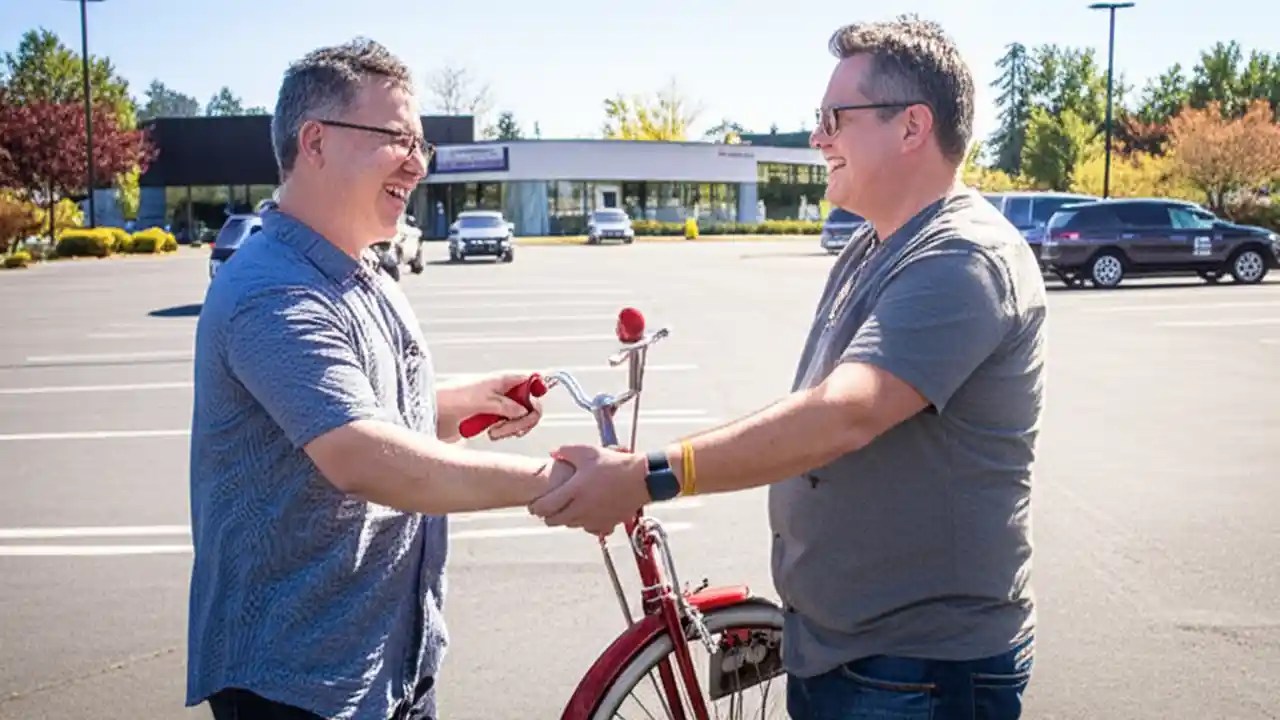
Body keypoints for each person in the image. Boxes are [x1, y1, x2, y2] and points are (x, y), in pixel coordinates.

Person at [529, 16, 1047, 720]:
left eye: (835, 117)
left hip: (917, 671)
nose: (818, 138)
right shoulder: (876, 247)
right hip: (845, 649)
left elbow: (846, 412)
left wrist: (650, 474)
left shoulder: (964, 259)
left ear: (911, 127)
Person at [185, 38, 573, 720]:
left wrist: (461, 402)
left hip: (388, 663)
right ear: (316, 141)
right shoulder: (272, 291)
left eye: (422, 145)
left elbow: (370, 413)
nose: (418, 163)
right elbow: (360, 456)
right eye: (397, 138)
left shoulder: (362, 266)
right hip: (298, 684)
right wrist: (553, 483)